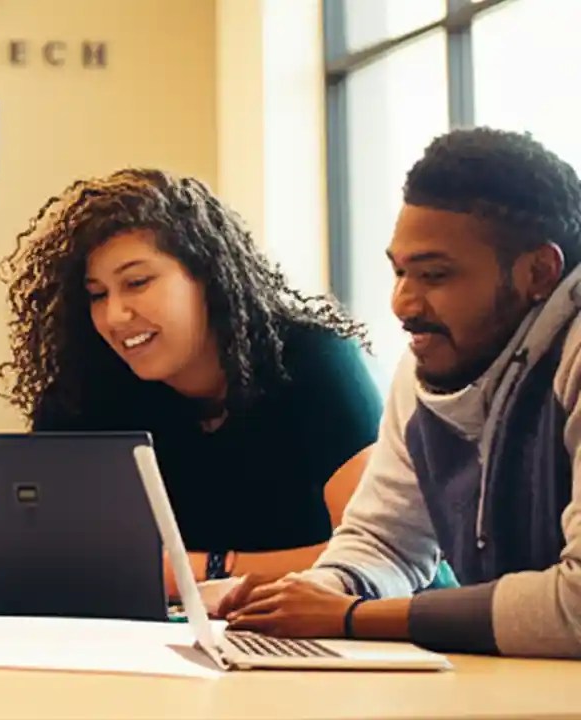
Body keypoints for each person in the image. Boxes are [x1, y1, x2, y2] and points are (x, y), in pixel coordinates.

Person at [218, 127, 581, 659]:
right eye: (399, 271)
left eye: (435, 275)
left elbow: (576, 607)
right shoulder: (431, 363)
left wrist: (350, 617)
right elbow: (384, 540)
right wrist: (314, 592)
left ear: (539, 272)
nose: (403, 304)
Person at [0, 168, 383, 595]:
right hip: (155, 633)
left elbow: (375, 559)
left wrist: (203, 570)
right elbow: (45, 555)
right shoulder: (86, 388)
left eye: (137, 282)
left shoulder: (316, 361)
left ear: (207, 276)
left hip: (317, 627)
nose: (114, 316)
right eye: (97, 294)